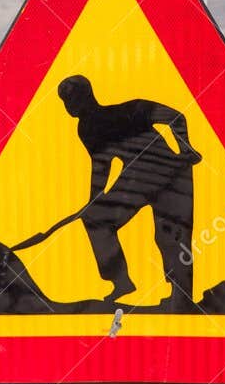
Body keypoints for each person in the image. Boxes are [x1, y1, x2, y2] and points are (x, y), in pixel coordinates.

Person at [56, 74, 202, 307]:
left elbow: (176, 117)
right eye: (65, 101)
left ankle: (182, 296)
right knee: (96, 220)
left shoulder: (131, 109)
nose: (69, 106)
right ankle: (121, 280)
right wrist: (94, 200)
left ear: (87, 96)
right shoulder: (86, 128)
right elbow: (101, 164)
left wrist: (185, 149)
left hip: (171, 174)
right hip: (138, 178)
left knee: (170, 235)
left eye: (71, 99)